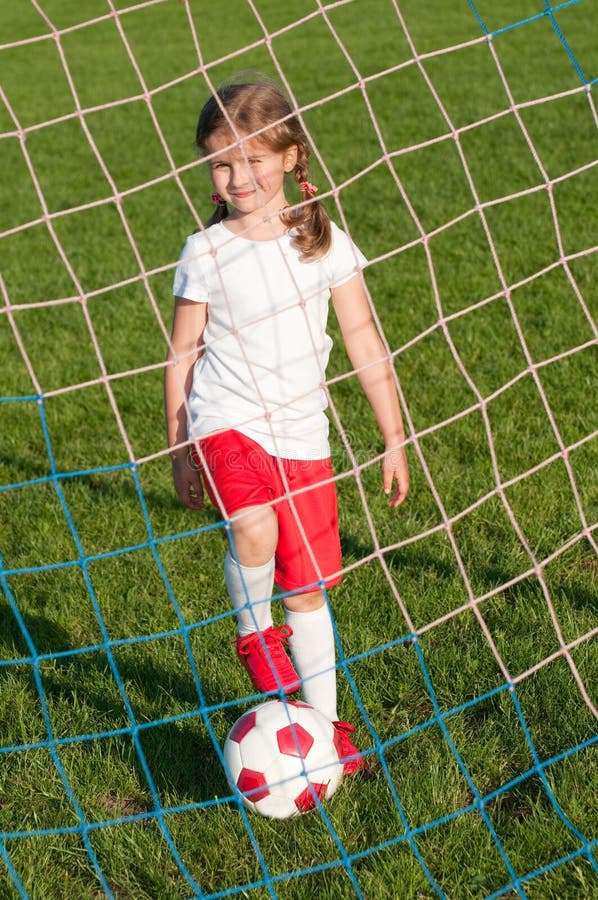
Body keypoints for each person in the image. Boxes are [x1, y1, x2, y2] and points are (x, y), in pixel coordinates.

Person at [165, 79, 409, 775]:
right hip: (226, 421)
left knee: (307, 592)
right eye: (220, 162)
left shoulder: (324, 245)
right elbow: (182, 354)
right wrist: (181, 446)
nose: (237, 177)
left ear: (292, 155)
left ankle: (327, 728)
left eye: (253, 160)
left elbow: (364, 340)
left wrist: (393, 436)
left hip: (304, 438)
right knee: (254, 526)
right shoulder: (204, 250)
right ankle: (251, 630)